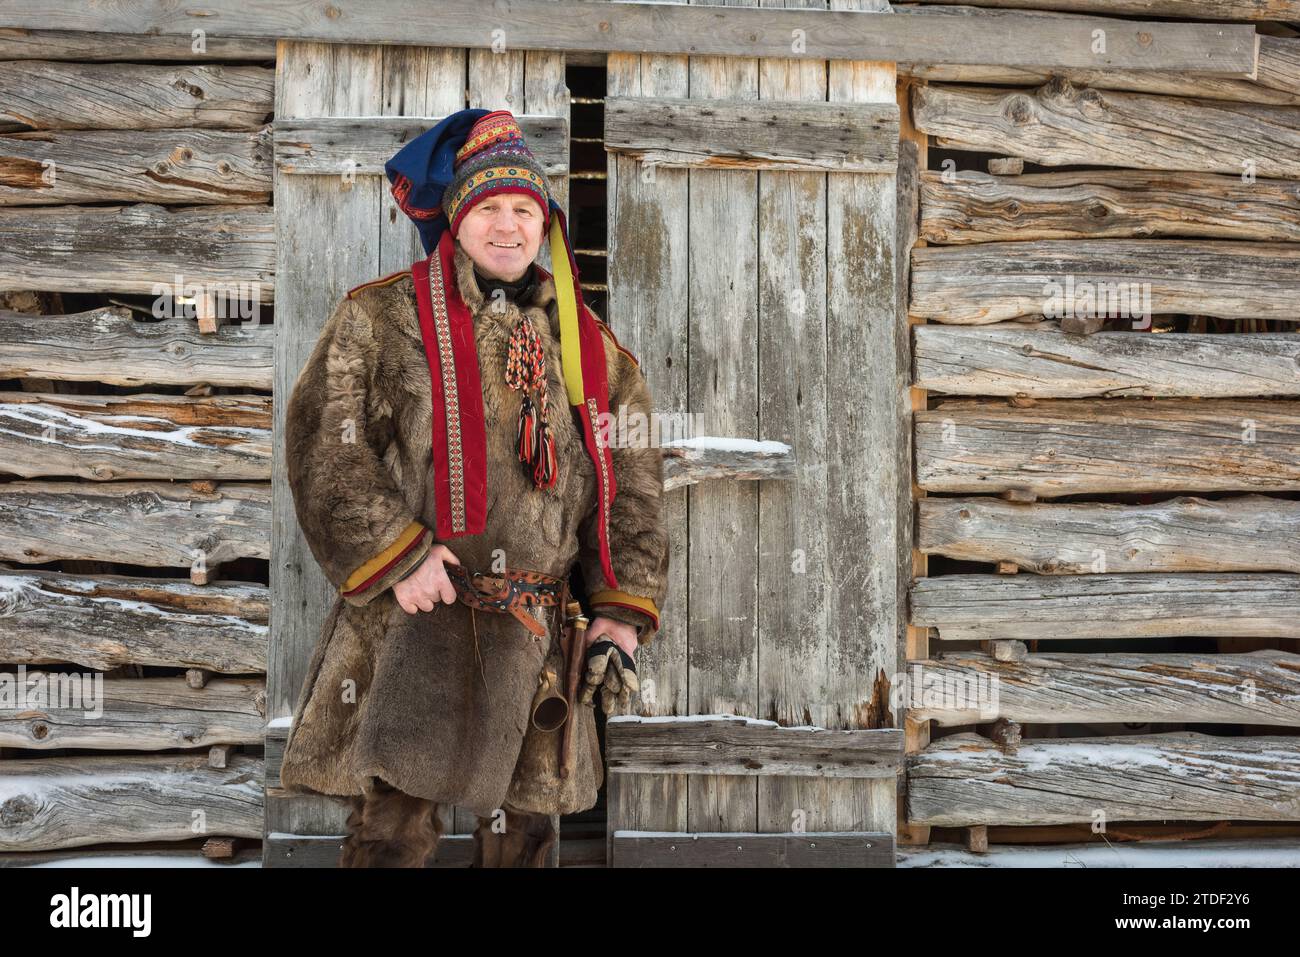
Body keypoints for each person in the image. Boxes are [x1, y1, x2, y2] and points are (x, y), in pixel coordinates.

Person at [278, 109, 669, 867]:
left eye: (524, 209)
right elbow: (326, 446)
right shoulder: (383, 320)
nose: (508, 226)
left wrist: (621, 612)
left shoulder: (595, 353)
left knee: (525, 838)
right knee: (393, 828)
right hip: (424, 610)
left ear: (544, 223)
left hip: (541, 629)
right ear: (458, 217)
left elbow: (633, 490)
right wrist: (399, 557)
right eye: (489, 207)